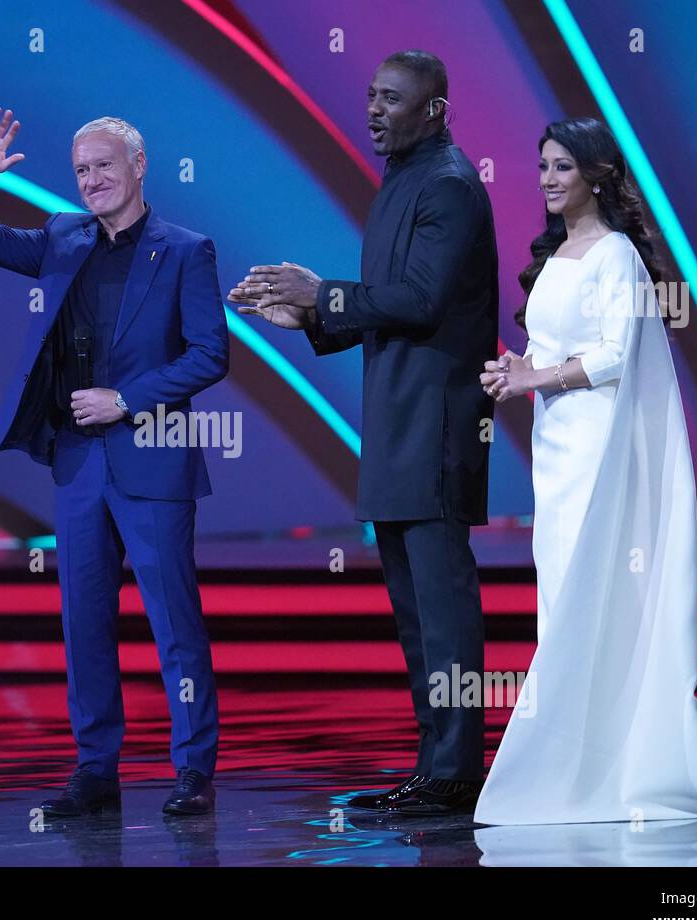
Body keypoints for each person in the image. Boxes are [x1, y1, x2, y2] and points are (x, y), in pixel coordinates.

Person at [472, 118, 697, 825]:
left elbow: (612, 355)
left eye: (562, 167)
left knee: (592, 586)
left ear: (597, 174)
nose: (546, 178)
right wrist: (519, 368)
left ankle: (604, 767)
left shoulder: (616, 257)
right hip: (559, 446)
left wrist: (534, 378)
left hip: (599, 442)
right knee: (563, 592)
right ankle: (580, 763)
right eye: (542, 165)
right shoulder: (558, 251)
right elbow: (553, 344)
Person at [228, 51, 497, 815]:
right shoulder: (406, 176)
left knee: (442, 607)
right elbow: (388, 301)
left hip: (436, 425)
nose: (375, 110)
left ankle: (454, 771)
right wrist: (313, 313)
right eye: (373, 96)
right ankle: (434, 766)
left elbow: (420, 298)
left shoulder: (447, 184)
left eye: (392, 99)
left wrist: (324, 296)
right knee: (415, 611)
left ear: (434, 111)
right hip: (399, 422)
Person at [0, 108, 228, 816]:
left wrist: (126, 400)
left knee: (175, 622)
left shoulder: (187, 249)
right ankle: (96, 768)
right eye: (80, 170)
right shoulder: (62, 236)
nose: (91, 180)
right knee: (84, 621)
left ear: (139, 167)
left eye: (104, 165)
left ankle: (192, 769)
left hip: (153, 459)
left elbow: (209, 354)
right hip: (77, 464)